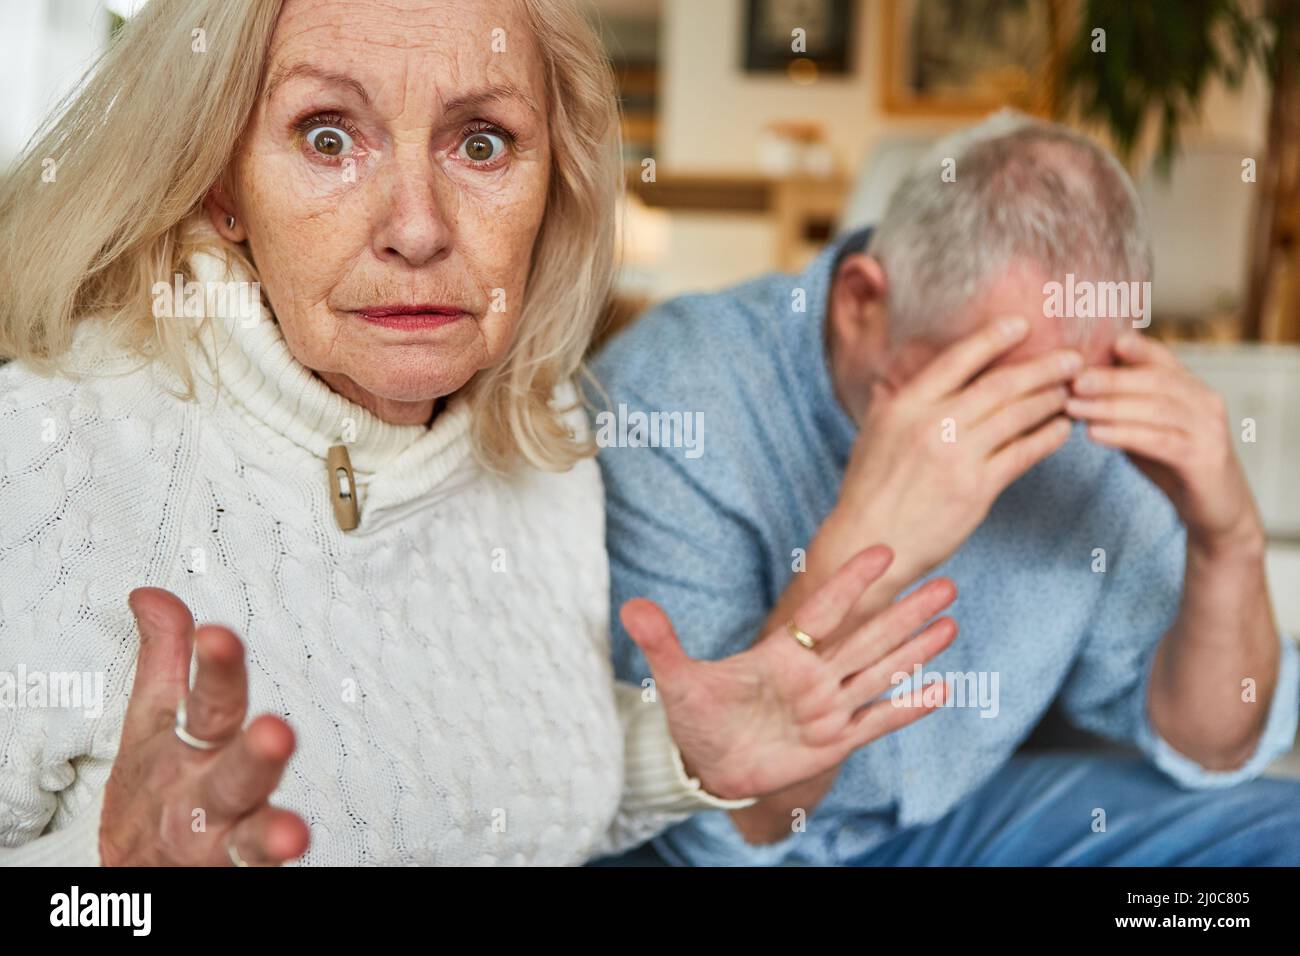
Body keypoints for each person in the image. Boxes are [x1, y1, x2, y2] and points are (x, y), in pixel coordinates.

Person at [0, 0, 958, 866]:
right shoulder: (51, 456)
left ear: (556, 189)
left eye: (484, 143)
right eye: (329, 137)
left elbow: (486, 799)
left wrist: (677, 755)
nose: (416, 228)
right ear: (224, 188)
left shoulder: (542, 431)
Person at [590, 112, 1300, 865]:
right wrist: (866, 552)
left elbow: (1211, 746)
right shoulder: (670, 400)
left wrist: (1227, 541)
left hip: (961, 826)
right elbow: (721, 835)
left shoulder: (1085, 406)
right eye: (992, 390)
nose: (1047, 434)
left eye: (1074, 388)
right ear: (864, 302)